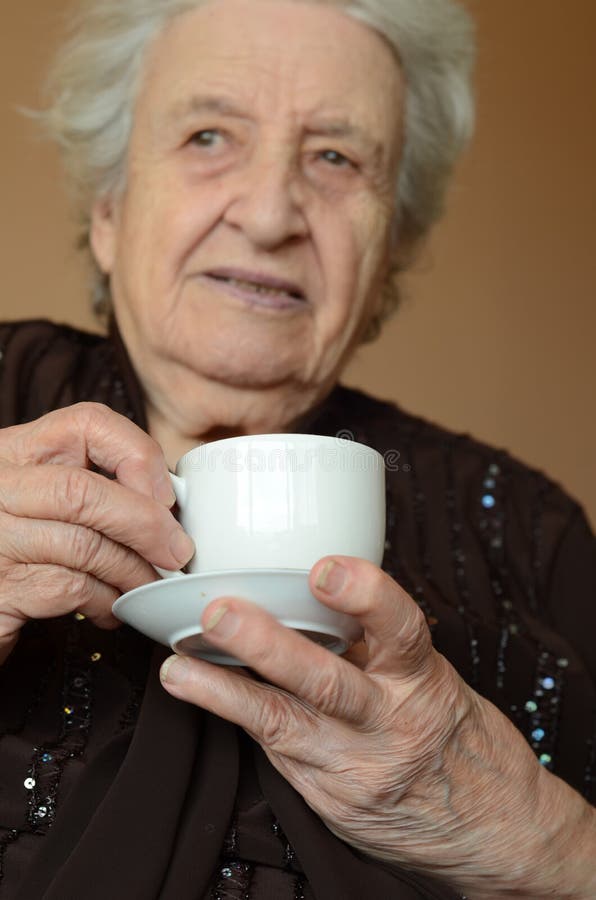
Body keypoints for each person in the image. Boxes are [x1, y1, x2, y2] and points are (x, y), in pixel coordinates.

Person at [0, 0, 594, 897]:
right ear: (110, 211)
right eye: (209, 135)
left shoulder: (531, 529)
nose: (273, 213)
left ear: (388, 248)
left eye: (336, 157)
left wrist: (542, 839)